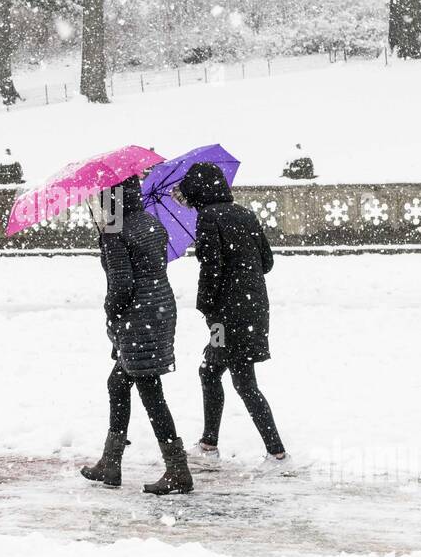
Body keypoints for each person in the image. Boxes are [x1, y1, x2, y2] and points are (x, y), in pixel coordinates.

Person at [80, 176, 193, 495]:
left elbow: (121, 286)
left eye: (99, 196)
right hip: (159, 308)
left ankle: (177, 469)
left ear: (109, 198)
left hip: (137, 315)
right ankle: (110, 462)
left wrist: (110, 309)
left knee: (149, 389)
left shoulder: (115, 231)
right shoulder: (149, 222)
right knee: (118, 383)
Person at [177, 162, 291, 470]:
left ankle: (276, 453)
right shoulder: (245, 214)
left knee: (240, 380)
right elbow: (266, 261)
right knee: (213, 371)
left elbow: (211, 268)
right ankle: (210, 443)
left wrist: (206, 304)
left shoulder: (208, 218)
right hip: (254, 306)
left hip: (225, 314)